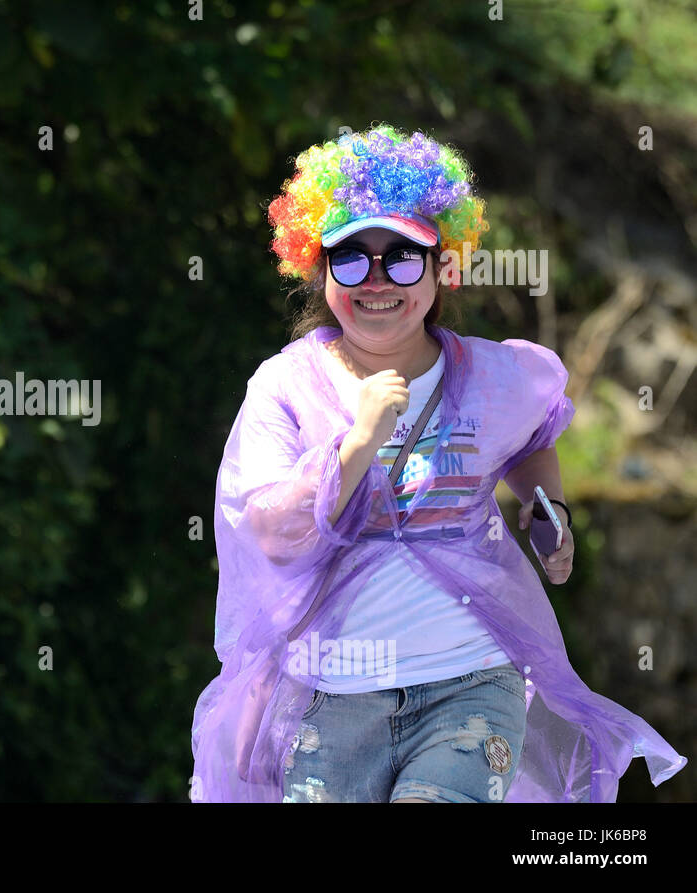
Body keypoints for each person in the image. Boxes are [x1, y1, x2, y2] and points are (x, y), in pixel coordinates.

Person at [190, 125, 686, 802]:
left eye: (401, 256)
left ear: (441, 266)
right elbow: (271, 533)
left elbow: (534, 435)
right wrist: (355, 444)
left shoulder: (495, 374)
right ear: (317, 267)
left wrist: (552, 515)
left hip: (471, 684)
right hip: (330, 701)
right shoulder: (284, 389)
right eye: (350, 257)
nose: (376, 281)